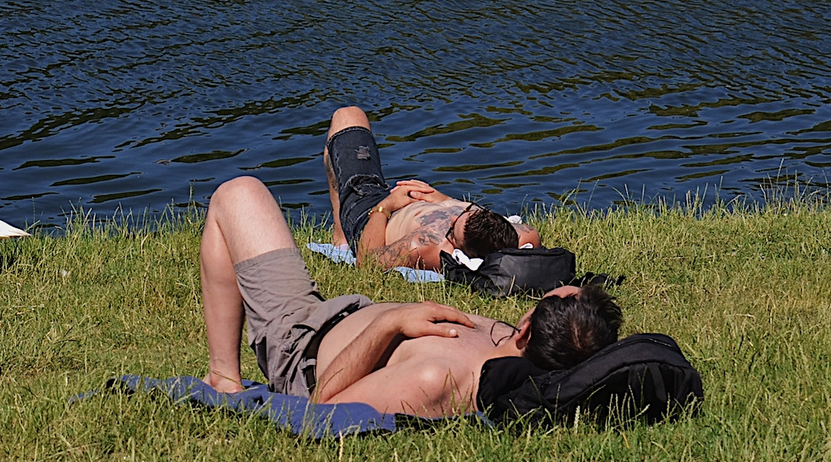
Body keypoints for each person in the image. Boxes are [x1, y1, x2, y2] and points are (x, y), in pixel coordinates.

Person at [199, 176, 622, 417]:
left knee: (238, 194)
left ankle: (224, 378)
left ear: (528, 327)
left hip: (299, 343)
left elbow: (321, 409)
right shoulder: (514, 345)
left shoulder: (436, 379)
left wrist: (390, 322)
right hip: (334, 315)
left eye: (549, 296)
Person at [323, 105, 541, 271]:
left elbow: (367, 262)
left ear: (458, 249)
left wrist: (385, 206)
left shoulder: (425, 245)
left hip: (369, 213)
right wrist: (444, 200)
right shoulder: (521, 235)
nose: (452, 219)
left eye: (451, 230)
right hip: (408, 202)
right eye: (465, 213)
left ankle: (341, 235)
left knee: (347, 117)